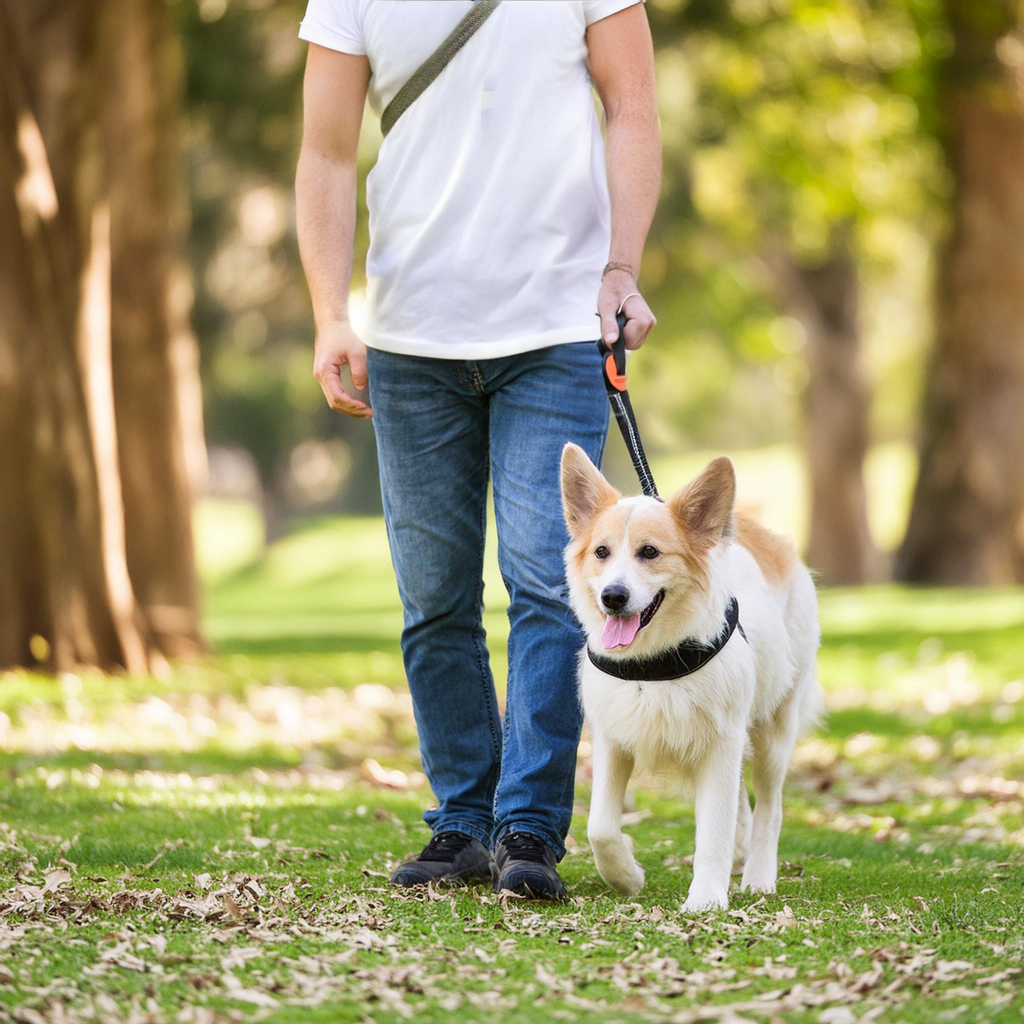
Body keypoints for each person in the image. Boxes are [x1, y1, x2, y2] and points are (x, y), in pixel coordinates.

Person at [296, 0, 661, 900]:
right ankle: (461, 819)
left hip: (554, 328)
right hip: (412, 337)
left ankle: (529, 826)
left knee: (548, 583)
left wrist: (621, 264)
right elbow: (325, 150)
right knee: (433, 597)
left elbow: (636, 106)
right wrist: (332, 315)